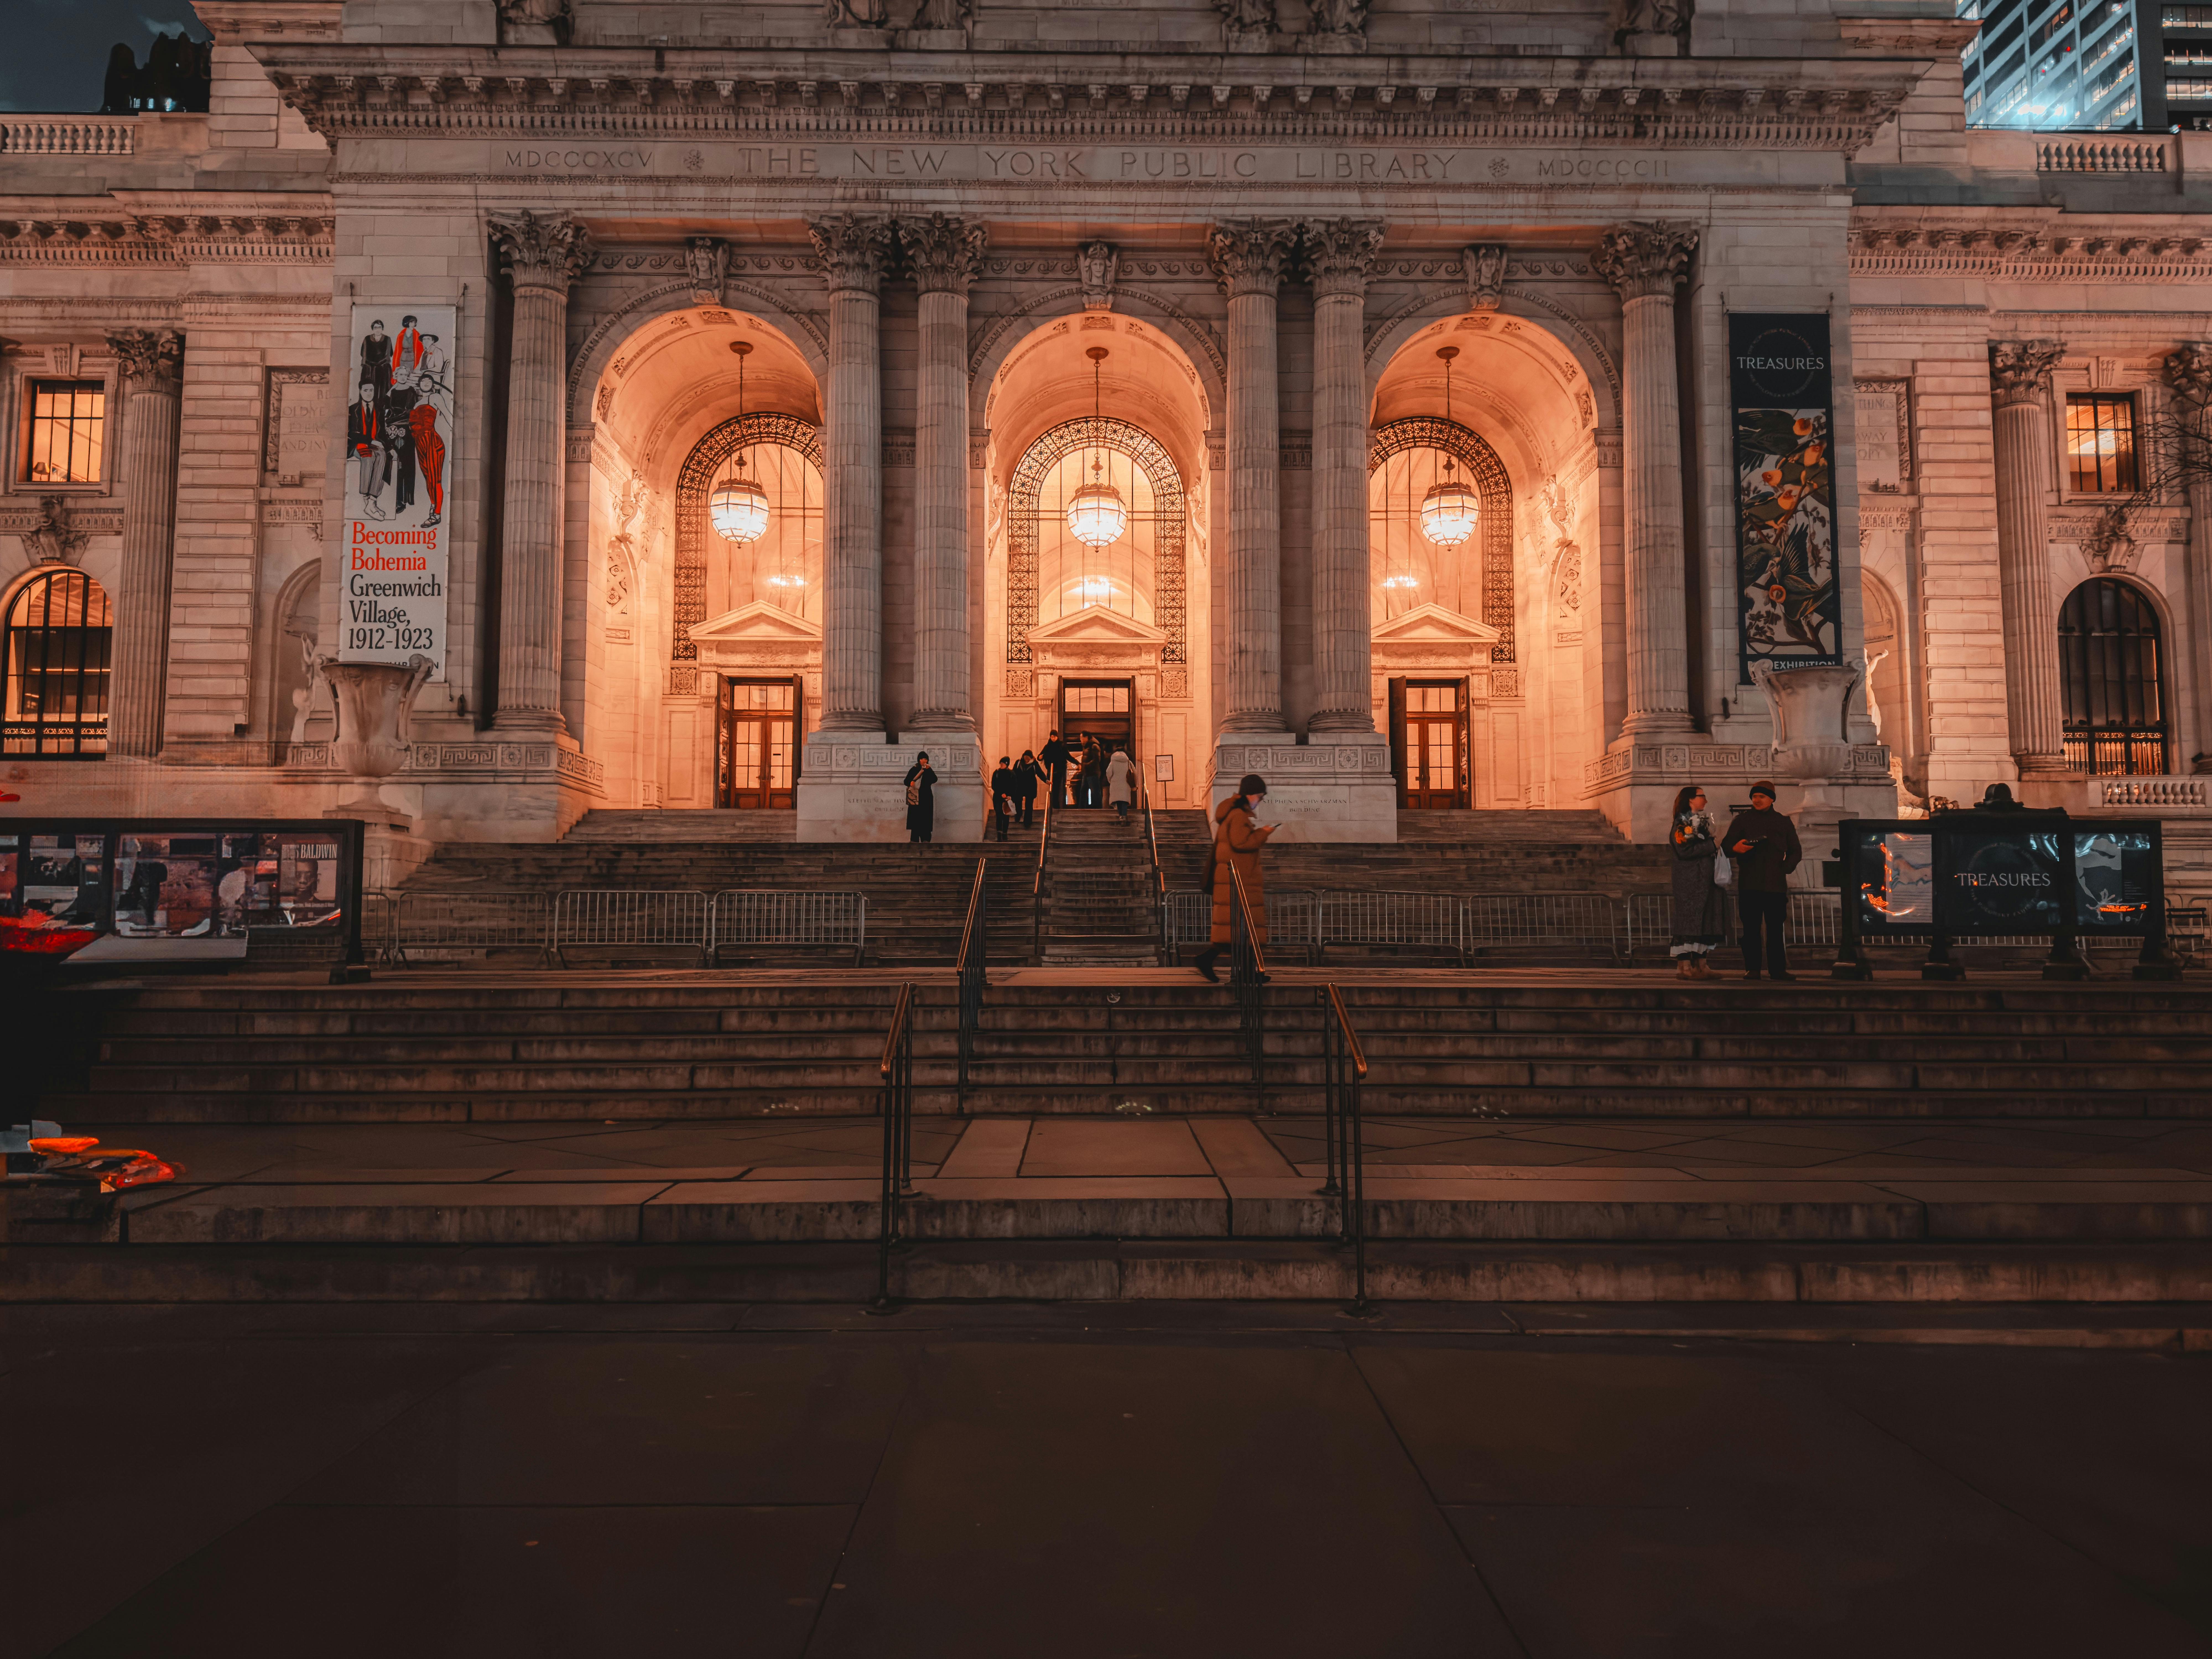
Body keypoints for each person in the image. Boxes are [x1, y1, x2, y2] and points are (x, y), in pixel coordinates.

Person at [1192, 773, 1276, 983]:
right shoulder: (1238, 815)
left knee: (1238, 934)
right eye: (1260, 796)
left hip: (1234, 881)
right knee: (1242, 931)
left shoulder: (1232, 813)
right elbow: (1242, 843)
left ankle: (1246, 974)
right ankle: (1245, 974)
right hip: (1238, 882)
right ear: (1250, 794)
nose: (1260, 801)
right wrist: (1263, 833)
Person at [1722, 779, 1802, 981]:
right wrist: (1736, 848)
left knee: (1776, 930)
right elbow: (1726, 847)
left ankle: (1778, 970)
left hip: (1776, 885)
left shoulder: (1784, 822)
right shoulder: (1742, 821)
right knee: (1750, 930)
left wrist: (1785, 869)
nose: (1757, 800)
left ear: (1772, 800)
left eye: (1762, 797)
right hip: (1750, 883)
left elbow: (1796, 851)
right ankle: (1753, 969)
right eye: (1755, 797)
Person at [1667, 784, 1727, 980]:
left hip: (1704, 879)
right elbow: (1684, 850)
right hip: (1690, 881)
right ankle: (1685, 967)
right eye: (1702, 796)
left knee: (1704, 921)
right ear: (1691, 799)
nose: (1706, 800)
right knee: (1689, 921)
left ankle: (1702, 964)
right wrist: (1712, 845)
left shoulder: (1698, 821)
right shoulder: (1683, 822)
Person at [347, 381, 389, 518]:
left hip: (376, 444)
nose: (369, 393)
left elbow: (382, 433)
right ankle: (367, 499)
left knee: (383, 455)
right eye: (366, 390)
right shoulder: (353, 409)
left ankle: (372, 502)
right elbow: (352, 434)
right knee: (369, 456)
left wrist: (390, 447)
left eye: (371, 390)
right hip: (357, 445)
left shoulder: (380, 410)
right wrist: (371, 441)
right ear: (360, 391)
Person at [904, 751, 936, 844]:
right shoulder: (914, 769)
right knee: (916, 818)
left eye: (926, 759)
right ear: (919, 760)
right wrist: (911, 782)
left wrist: (929, 770)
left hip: (926, 797)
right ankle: (915, 839)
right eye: (922, 759)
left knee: (926, 818)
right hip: (916, 796)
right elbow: (906, 781)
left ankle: (926, 839)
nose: (924, 761)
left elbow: (934, 780)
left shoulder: (929, 770)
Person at [1040, 730, 1072, 810]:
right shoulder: (1048, 747)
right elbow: (1040, 756)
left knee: (1056, 789)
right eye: (1052, 737)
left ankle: (1056, 806)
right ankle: (1055, 806)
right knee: (1054, 789)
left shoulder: (1061, 746)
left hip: (1059, 771)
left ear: (1057, 737)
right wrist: (1040, 757)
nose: (1053, 739)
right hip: (1051, 771)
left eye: (1054, 737)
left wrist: (1078, 763)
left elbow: (1068, 756)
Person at [990, 755, 1017, 842]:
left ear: (1007, 764)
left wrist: (1010, 796)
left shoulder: (1012, 774)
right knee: (999, 815)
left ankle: (1005, 833)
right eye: (1001, 763)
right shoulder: (997, 773)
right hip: (998, 797)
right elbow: (994, 785)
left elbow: (1014, 786)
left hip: (1007, 799)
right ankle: (999, 834)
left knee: (1006, 816)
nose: (1001, 765)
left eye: (1003, 764)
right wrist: (1001, 793)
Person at [1012, 749, 1041, 828]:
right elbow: (1013, 773)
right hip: (1019, 786)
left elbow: (1040, 773)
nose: (1026, 760)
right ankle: (1019, 814)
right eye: (1025, 758)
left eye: (1028, 758)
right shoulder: (1019, 763)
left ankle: (1028, 822)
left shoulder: (1035, 764)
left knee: (1029, 806)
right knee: (1018, 802)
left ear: (1031, 758)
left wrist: (1046, 780)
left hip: (1030, 787)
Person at [1106, 747, 1135, 823]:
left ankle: (1121, 816)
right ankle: (1124, 816)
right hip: (1126, 784)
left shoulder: (1113, 762)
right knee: (1125, 801)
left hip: (1115, 784)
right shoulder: (1128, 762)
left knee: (1118, 801)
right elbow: (1134, 773)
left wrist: (1110, 781)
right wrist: (1136, 784)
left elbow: (1108, 772)